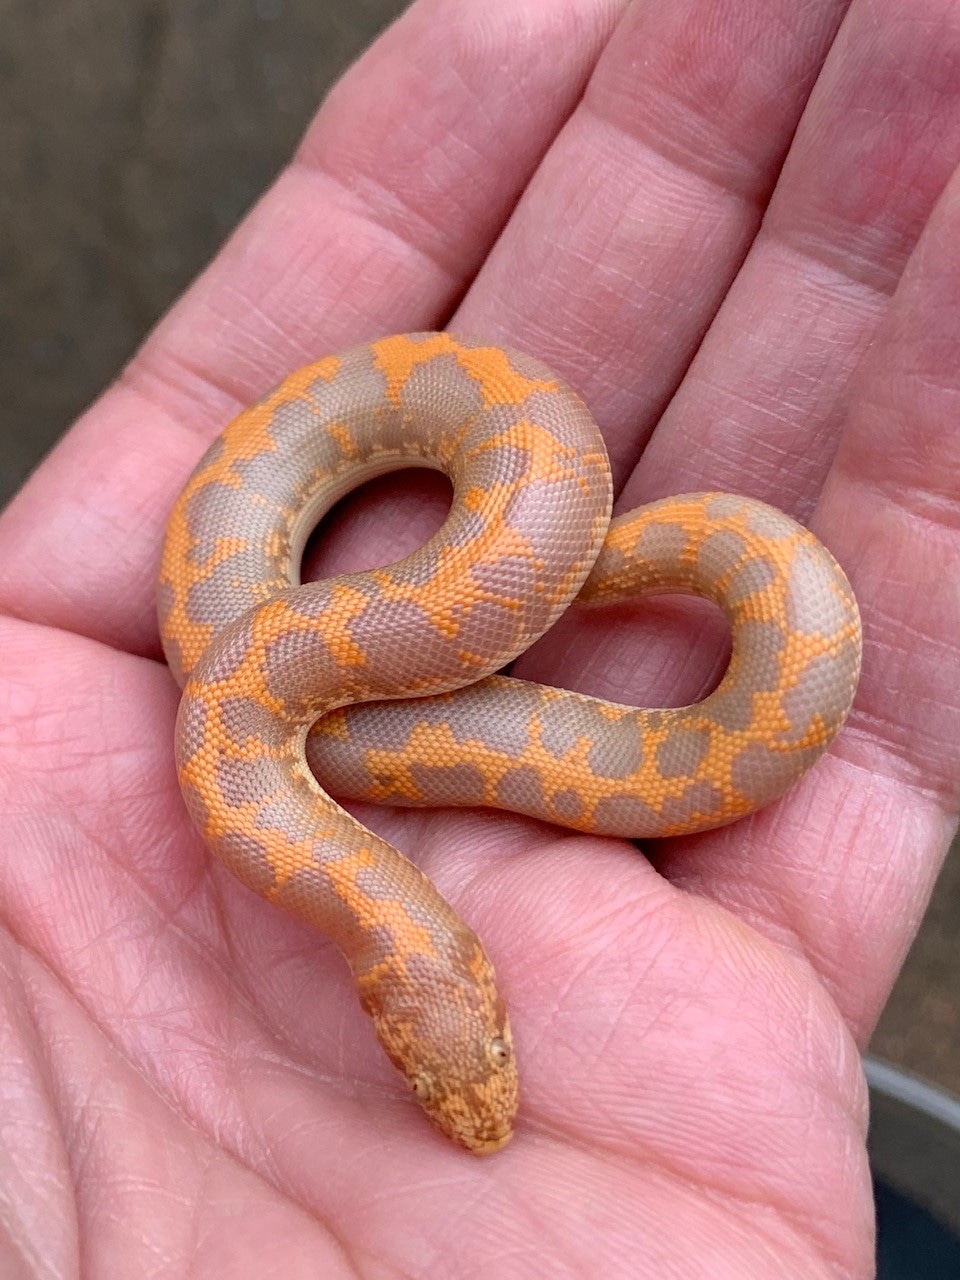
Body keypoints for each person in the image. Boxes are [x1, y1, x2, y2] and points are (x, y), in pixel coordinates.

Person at [1, 0, 957, 1273]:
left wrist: (571, 568)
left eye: (476, 1054)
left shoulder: (249, 747)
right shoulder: (272, 791)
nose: (483, 1084)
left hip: (382, 572)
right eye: (490, 1048)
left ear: (438, 975)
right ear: (450, 970)